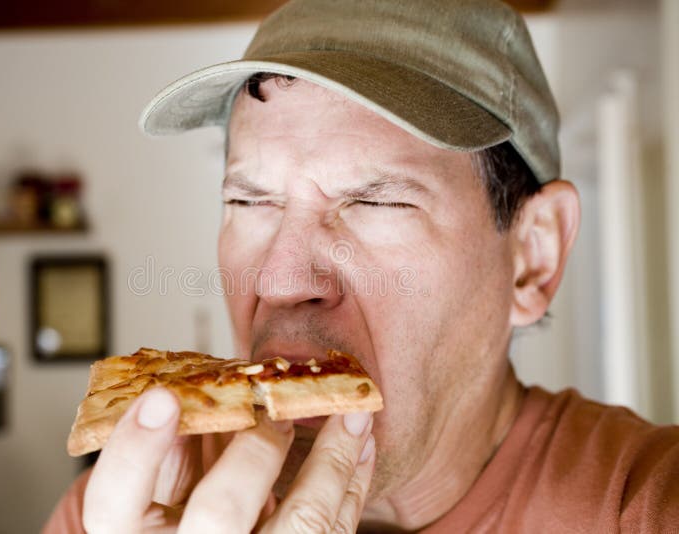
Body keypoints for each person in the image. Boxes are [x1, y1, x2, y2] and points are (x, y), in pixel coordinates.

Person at [44, 0, 679, 531]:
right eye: (250, 201)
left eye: (377, 201)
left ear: (532, 258)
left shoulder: (645, 506)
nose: (282, 281)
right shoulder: (127, 509)